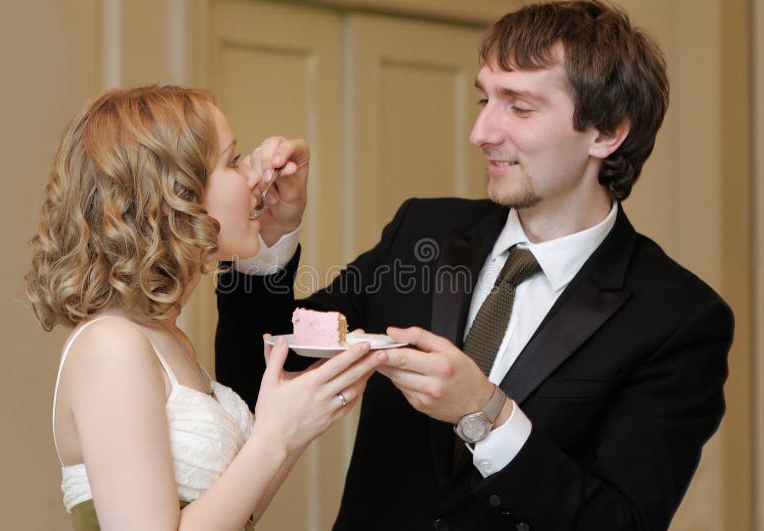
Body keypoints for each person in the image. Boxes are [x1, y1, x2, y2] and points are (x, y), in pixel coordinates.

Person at [215, 1, 734, 530]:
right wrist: (270, 241)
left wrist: (487, 415)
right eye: (486, 99)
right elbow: (256, 381)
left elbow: (622, 523)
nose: (481, 132)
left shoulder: (679, 318)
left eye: (520, 107)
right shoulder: (422, 232)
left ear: (606, 132)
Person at [25, 86, 383, 531]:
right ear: (175, 197)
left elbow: (236, 517)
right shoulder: (111, 344)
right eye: (232, 161)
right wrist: (275, 435)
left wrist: (299, 423)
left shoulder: (167, 337)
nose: (254, 177)